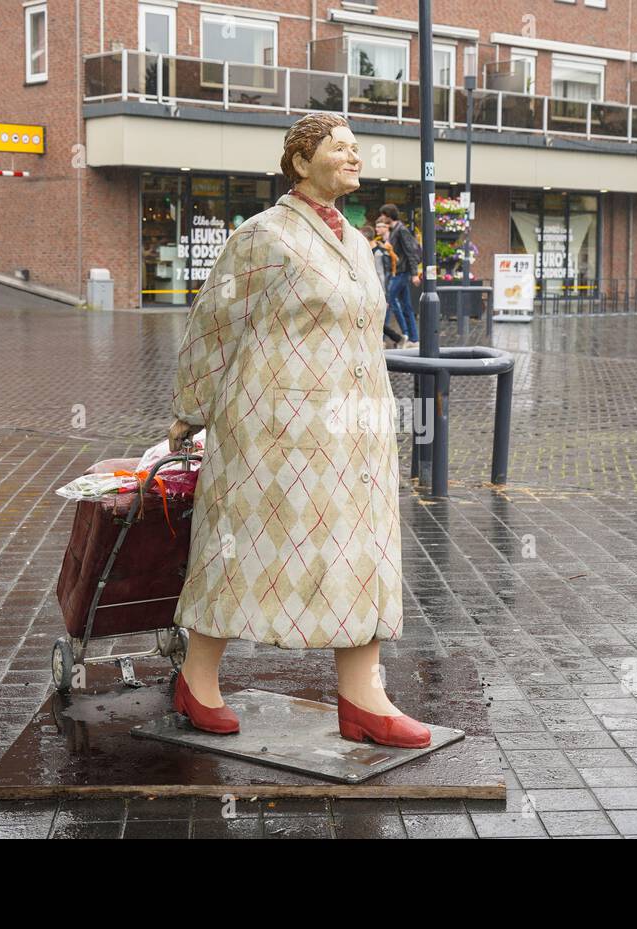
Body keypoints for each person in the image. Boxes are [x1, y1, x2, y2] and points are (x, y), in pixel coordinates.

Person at [166, 112, 430, 749]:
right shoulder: (263, 236)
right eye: (338, 148)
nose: (353, 157)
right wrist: (190, 407)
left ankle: (363, 696)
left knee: (358, 551)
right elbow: (215, 320)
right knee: (241, 547)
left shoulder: (360, 242)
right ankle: (197, 680)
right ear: (300, 162)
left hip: (354, 427)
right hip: (272, 427)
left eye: (355, 148)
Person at [378, 203, 421, 347]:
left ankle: (382, 338)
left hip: (401, 273)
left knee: (386, 303)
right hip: (398, 272)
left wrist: (414, 274)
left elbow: (410, 252)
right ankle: (413, 339)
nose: (383, 218)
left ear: (389, 216)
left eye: (384, 215)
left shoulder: (401, 230)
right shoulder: (395, 229)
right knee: (406, 306)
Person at [367, 219, 410, 348]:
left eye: (380, 226)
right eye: (376, 226)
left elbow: (381, 274)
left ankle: (399, 337)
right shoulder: (377, 249)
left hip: (384, 286)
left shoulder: (379, 252)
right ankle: (398, 337)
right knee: (391, 310)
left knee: (393, 309)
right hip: (381, 287)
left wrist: (383, 293)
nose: (378, 229)